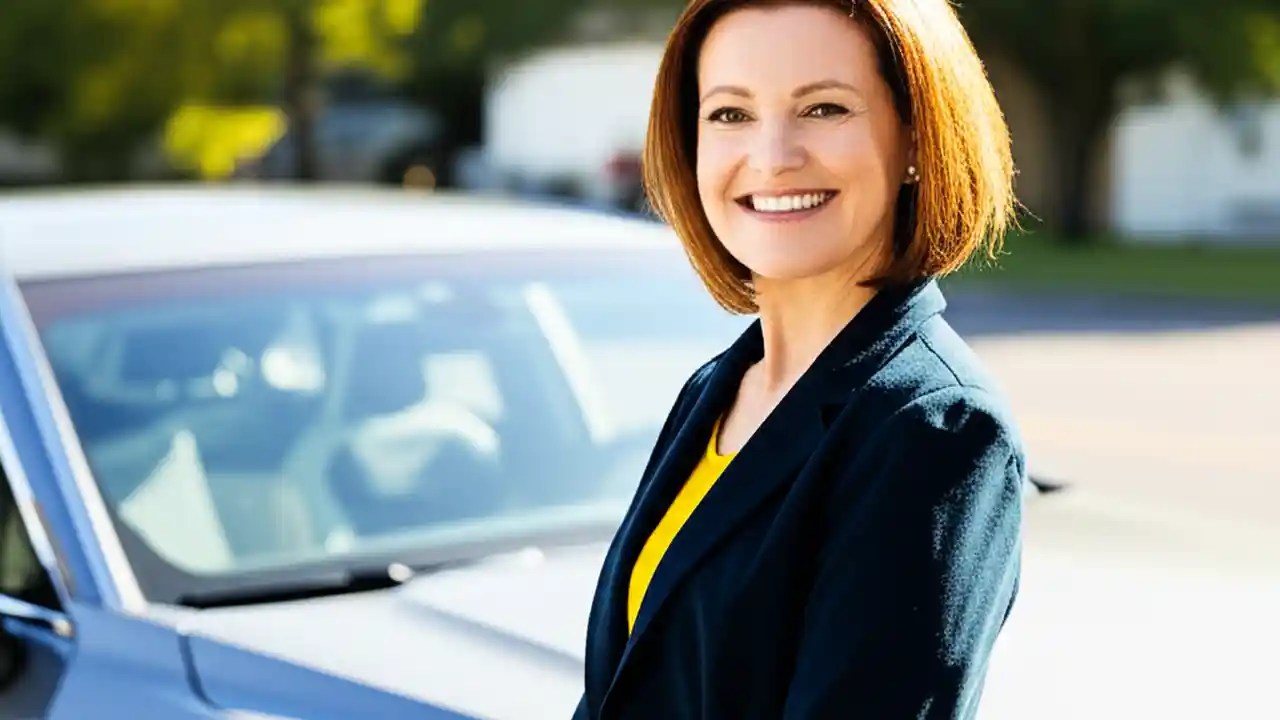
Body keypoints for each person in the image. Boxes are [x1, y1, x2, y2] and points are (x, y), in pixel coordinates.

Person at [574, 0, 1024, 718]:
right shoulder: (716, 389)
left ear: (916, 137)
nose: (774, 156)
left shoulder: (936, 431)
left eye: (823, 109)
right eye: (730, 114)